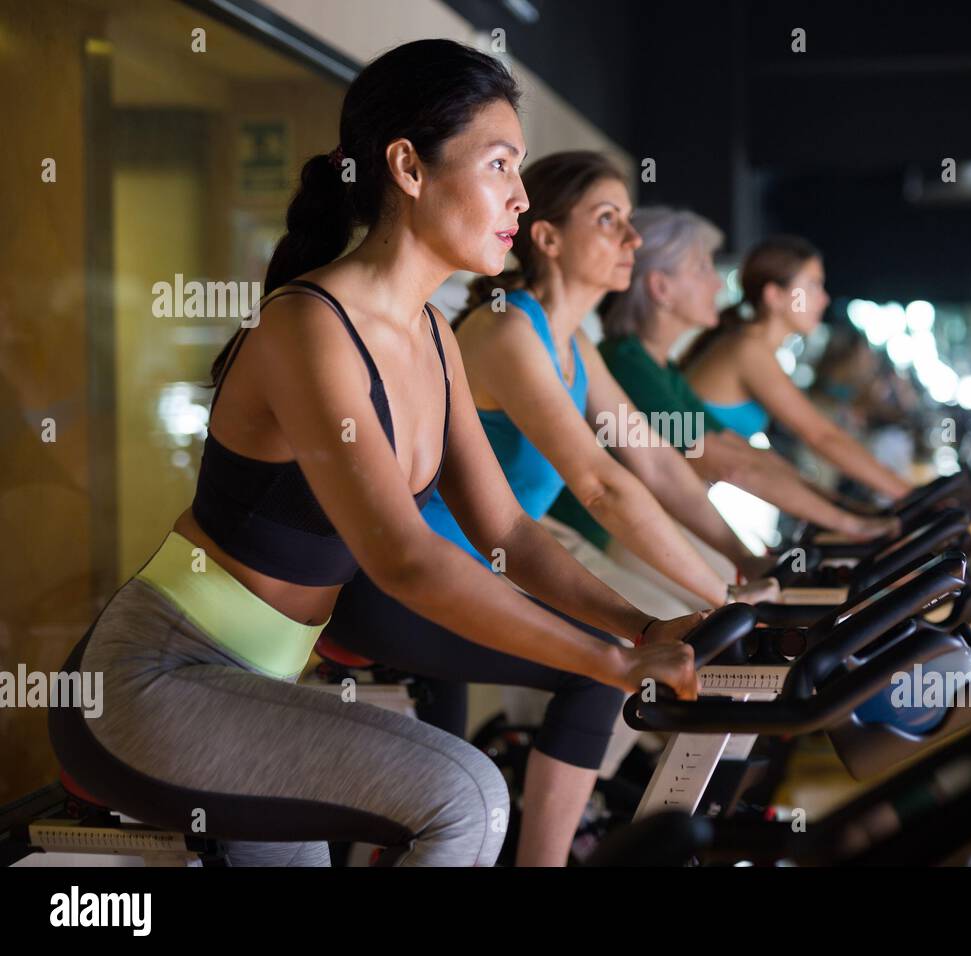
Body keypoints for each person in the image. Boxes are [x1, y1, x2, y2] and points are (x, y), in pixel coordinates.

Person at [49, 38, 695, 868]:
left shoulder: (432, 332)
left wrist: (644, 624)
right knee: (465, 796)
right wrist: (608, 661)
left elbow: (507, 529)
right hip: (158, 682)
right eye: (500, 165)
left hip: (258, 689)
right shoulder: (307, 325)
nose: (520, 196)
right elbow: (405, 560)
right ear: (409, 168)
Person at [326, 150, 773, 866]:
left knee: (430, 795)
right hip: (420, 574)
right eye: (609, 220)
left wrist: (746, 566)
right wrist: (720, 594)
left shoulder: (573, 346)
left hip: (486, 567)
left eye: (631, 222)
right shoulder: (509, 331)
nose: (631, 238)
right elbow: (601, 484)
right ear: (548, 238)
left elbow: (653, 461)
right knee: (601, 674)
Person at [552, 206, 900, 554]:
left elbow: (744, 453)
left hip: (632, 529)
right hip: (592, 537)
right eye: (702, 268)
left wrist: (844, 508)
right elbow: (749, 460)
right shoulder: (630, 363)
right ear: (660, 288)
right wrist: (860, 516)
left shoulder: (660, 368)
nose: (718, 283)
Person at [680, 235, 914, 500]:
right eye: (812, 286)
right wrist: (907, 493)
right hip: (671, 503)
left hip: (687, 501)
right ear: (775, 296)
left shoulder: (752, 347)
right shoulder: (748, 350)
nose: (824, 299)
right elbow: (821, 436)